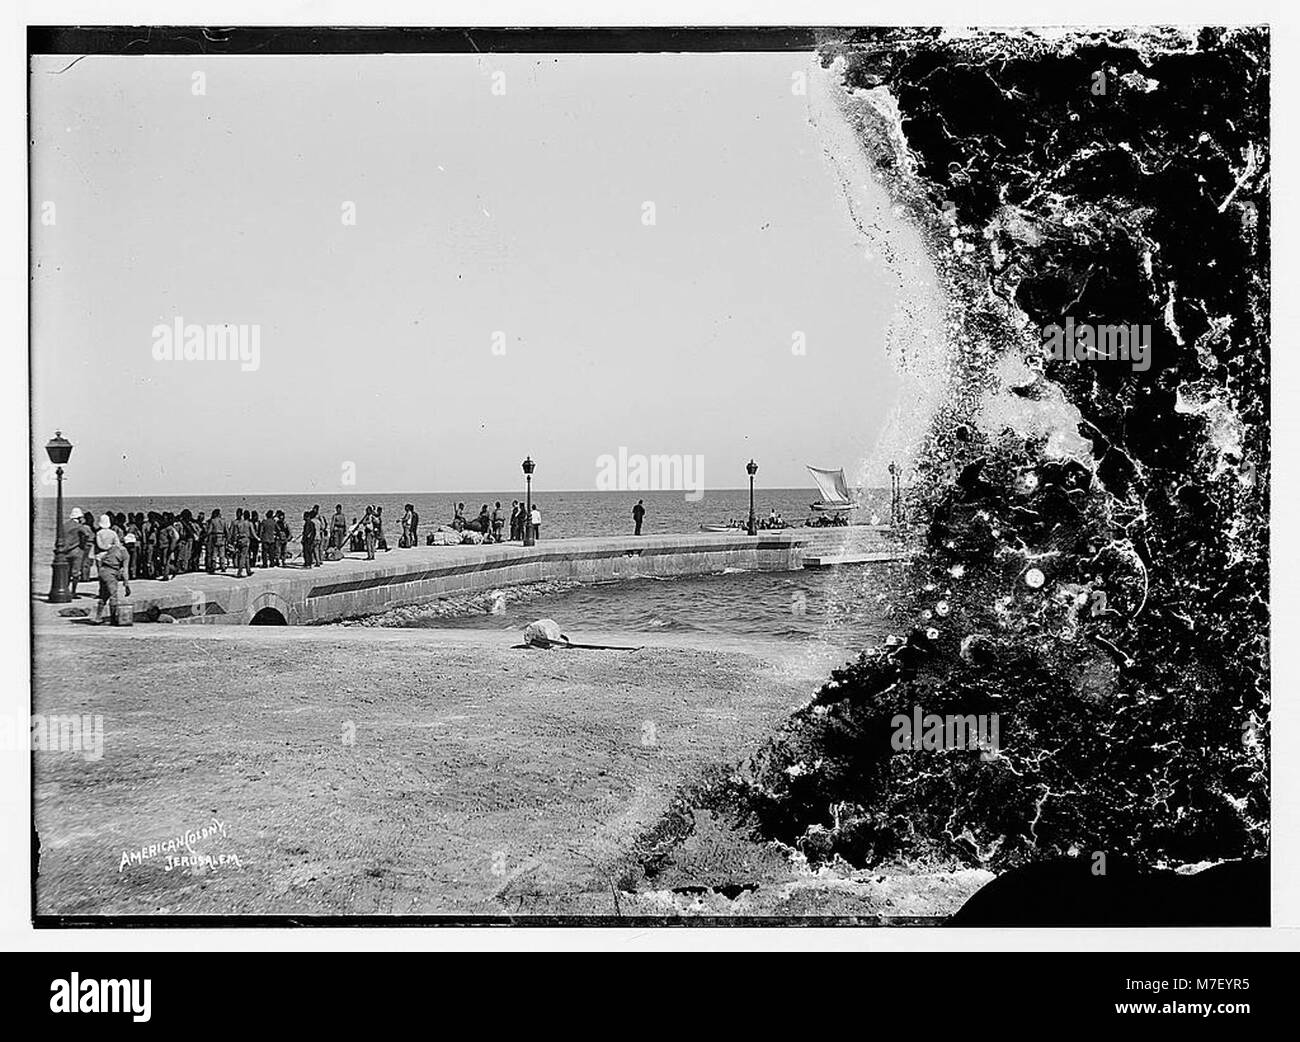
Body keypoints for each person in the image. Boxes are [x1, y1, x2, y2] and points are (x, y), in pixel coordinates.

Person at [94, 536, 130, 625]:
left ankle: (98, 617)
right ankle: (113, 619)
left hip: (103, 571)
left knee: (104, 595)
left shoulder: (112, 548)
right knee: (113, 596)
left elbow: (100, 558)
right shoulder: (125, 553)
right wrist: (127, 585)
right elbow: (125, 570)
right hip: (111, 573)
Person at [64, 509, 88, 597]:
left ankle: (65, 589)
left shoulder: (65, 525)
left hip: (65, 551)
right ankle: (73, 592)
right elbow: (87, 534)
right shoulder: (79, 526)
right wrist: (82, 544)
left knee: (66, 573)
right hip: (76, 550)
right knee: (75, 573)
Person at [230, 508, 254, 578]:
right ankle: (239, 572)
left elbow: (233, 533)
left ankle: (248, 570)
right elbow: (253, 533)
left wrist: (233, 541)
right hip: (246, 540)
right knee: (243, 556)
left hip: (239, 540)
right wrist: (258, 538)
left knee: (246, 556)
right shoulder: (248, 523)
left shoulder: (236, 523)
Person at [205, 508, 229, 573]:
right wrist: (227, 538)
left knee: (214, 553)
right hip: (222, 537)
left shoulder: (213, 521)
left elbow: (209, 530)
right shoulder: (224, 521)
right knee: (222, 553)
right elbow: (227, 530)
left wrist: (206, 535)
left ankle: (213, 566)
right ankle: (223, 566)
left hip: (215, 537)